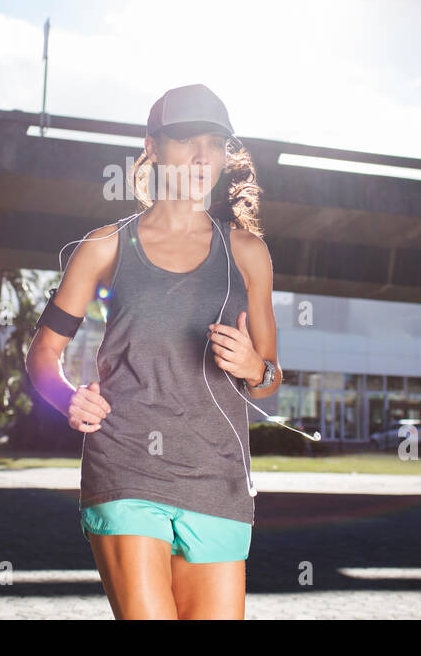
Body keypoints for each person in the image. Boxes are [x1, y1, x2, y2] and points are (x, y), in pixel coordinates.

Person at [25, 83, 281, 619]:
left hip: (219, 477)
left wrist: (254, 367)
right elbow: (44, 352)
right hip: (127, 468)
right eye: (186, 139)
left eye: (214, 142)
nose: (202, 155)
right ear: (153, 147)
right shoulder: (105, 247)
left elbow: (271, 378)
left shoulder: (249, 254)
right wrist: (67, 398)